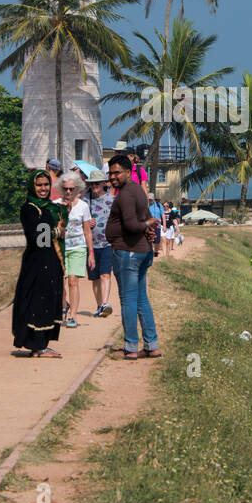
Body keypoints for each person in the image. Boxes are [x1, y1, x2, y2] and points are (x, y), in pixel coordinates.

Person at [106, 153, 160, 360]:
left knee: (128, 300)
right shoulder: (137, 190)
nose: (112, 177)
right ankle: (151, 345)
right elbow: (145, 216)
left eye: (117, 173)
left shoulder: (126, 194)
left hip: (128, 253)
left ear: (129, 172)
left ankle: (130, 347)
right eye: (110, 173)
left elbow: (131, 224)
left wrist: (147, 225)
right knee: (141, 299)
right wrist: (148, 227)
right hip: (142, 252)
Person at [12, 169, 66, 358]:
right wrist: (57, 232)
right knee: (37, 301)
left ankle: (41, 345)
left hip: (49, 261)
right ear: (32, 187)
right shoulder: (29, 209)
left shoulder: (49, 207)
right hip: (36, 263)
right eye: (39, 185)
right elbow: (38, 238)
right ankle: (37, 346)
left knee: (49, 300)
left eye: (46, 185)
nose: (43, 189)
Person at [59, 171, 92, 327]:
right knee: (60, 281)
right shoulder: (55, 204)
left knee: (73, 280)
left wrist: (91, 253)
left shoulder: (83, 206)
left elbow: (87, 231)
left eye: (72, 189)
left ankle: (73, 315)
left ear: (77, 189)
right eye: (65, 188)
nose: (68, 192)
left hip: (78, 247)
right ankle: (63, 307)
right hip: (61, 247)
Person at [86, 171, 115, 317]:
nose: (94, 186)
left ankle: (105, 303)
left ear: (104, 183)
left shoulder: (112, 200)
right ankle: (99, 306)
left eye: (97, 183)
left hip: (107, 244)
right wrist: (86, 222)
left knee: (105, 274)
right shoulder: (86, 200)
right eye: (92, 183)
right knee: (94, 278)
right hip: (91, 245)